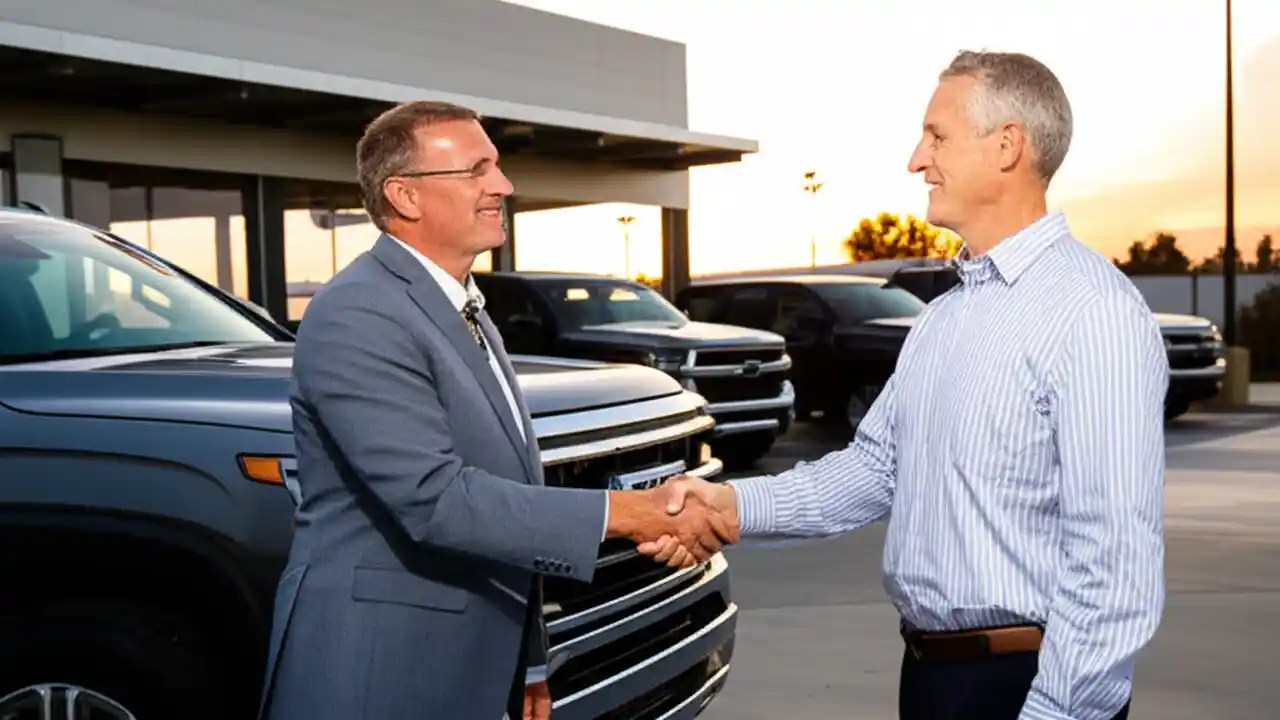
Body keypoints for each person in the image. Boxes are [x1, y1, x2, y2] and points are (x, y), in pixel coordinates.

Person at [646, 50, 1169, 720]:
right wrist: (725, 506)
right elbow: (872, 469)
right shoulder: (943, 318)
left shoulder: (1092, 313)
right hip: (930, 680)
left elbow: (1115, 563)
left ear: (1007, 144)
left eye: (937, 136)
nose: (916, 159)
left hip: (1027, 689)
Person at [257, 100, 736, 720]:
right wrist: (630, 514)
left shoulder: (466, 309)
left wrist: (527, 662)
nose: (503, 186)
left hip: (468, 666)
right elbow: (437, 499)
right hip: (381, 672)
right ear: (405, 196)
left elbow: (511, 485)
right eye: (477, 170)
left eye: (498, 167)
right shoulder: (359, 312)